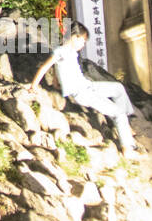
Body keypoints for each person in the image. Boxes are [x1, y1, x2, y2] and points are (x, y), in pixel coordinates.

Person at [30, 21, 137, 153]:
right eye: (83, 41)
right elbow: (44, 67)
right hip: (83, 93)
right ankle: (128, 149)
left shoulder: (70, 51)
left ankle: (126, 125)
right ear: (75, 37)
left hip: (88, 86)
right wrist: (33, 86)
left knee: (118, 88)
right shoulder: (61, 51)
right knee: (118, 113)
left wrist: (56, 83)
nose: (83, 44)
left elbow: (58, 67)